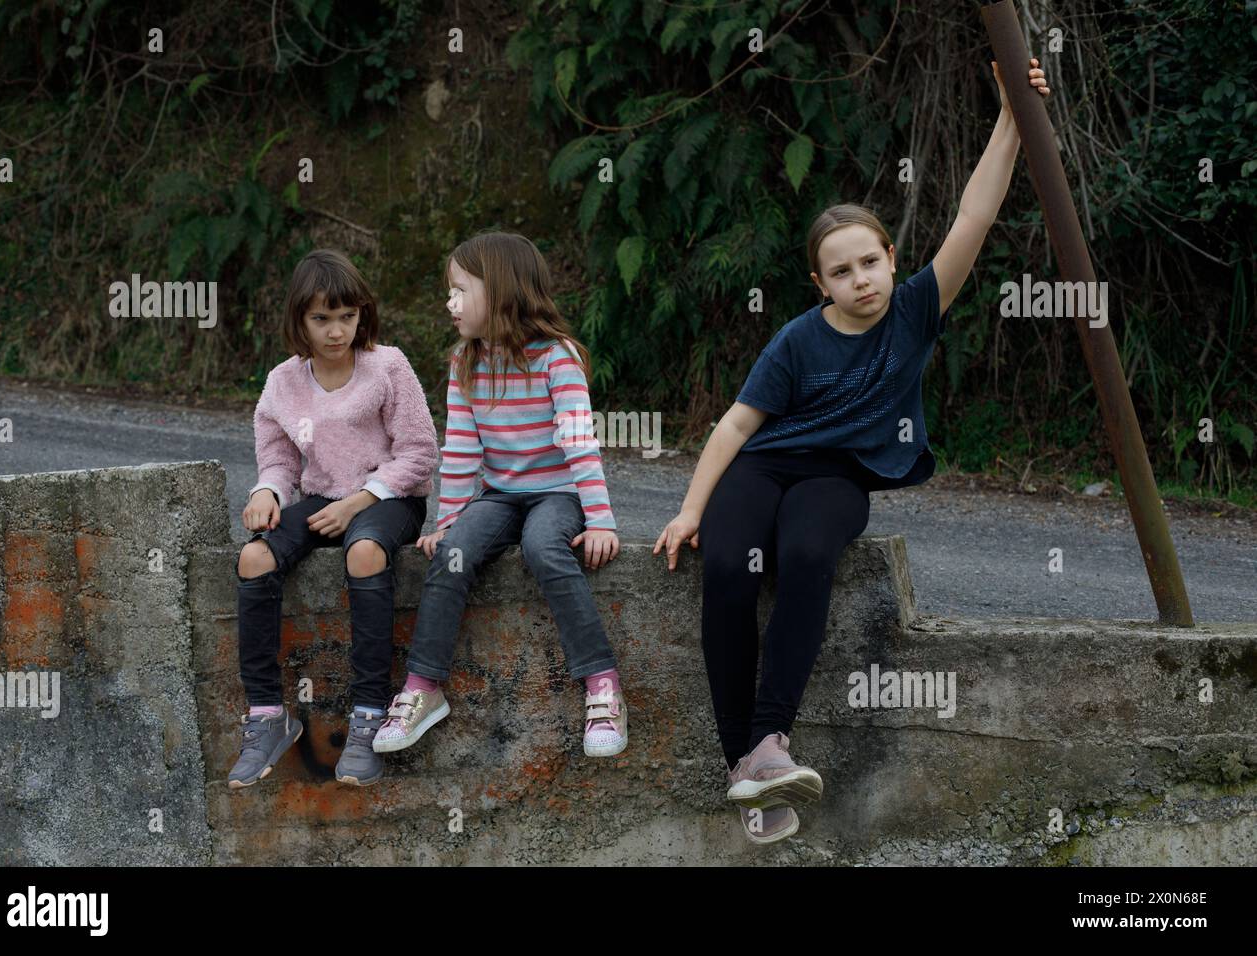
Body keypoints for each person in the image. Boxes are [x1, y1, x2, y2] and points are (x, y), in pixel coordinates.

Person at [654, 60, 1051, 844]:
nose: (860, 279)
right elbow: (735, 427)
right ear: (819, 283)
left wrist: (1011, 114)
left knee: (805, 553)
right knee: (729, 565)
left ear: (892, 259)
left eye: (870, 261)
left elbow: (974, 215)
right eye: (841, 271)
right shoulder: (798, 340)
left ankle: (768, 740)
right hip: (765, 465)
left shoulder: (914, 312)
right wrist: (691, 508)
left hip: (838, 478)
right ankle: (750, 766)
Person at [372, 231, 628, 759]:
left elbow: (580, 444)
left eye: (460, 290)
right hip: (501, 494)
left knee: (543, 549)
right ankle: (424, 689)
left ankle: (603, 686)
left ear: (502, 290)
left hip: (558, 491)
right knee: (452, 554)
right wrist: (448, 521)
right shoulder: (464, 363)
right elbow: (463, 450)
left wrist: (600, 519)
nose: (450, 302)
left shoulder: (558, 358)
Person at [230, 249, 438, 788]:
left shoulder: (387, 365)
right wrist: (268, 491)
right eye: (321, 318)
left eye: (347, 316)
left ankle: (369, 714)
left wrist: (361, 500)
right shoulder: (282, 382)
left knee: (364, 550)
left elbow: (419, 452)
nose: (336, 331)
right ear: (299, 319)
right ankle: (267, 717)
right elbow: (277, 458)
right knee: (254, 556)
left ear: (361, 314)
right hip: (322, 500)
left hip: (390, 500)